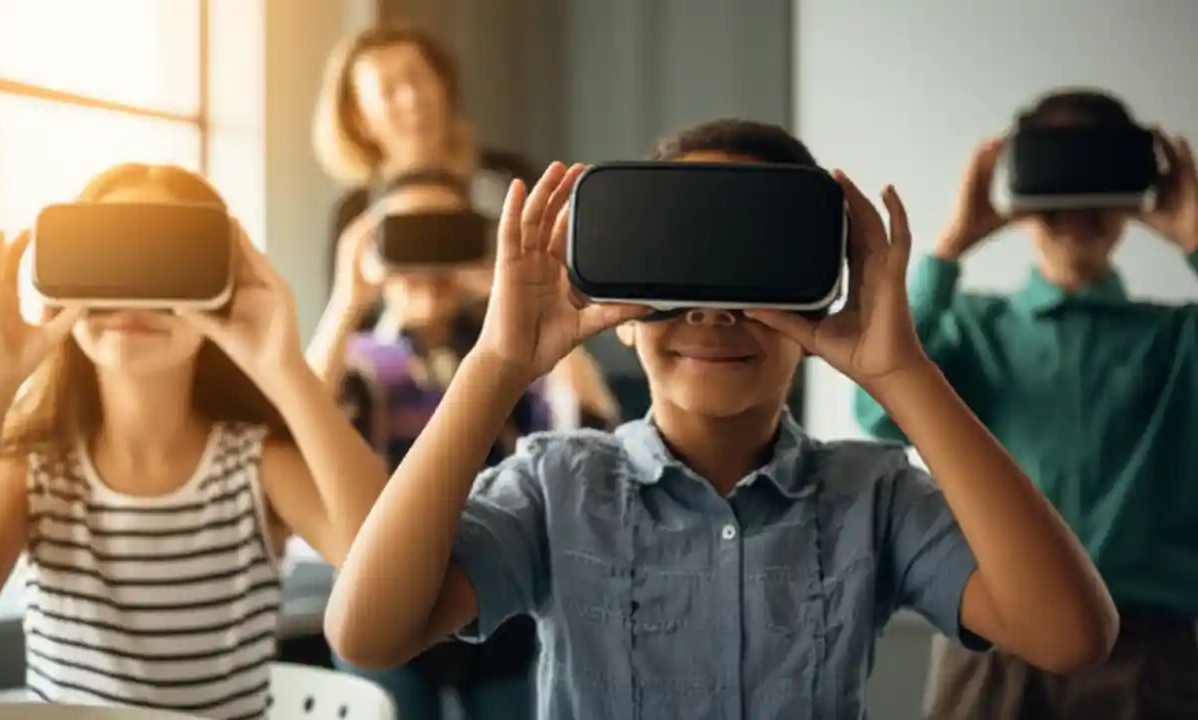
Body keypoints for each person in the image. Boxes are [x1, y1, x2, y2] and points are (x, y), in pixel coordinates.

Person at [323, 119, 1119, 719]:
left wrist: (903, 374)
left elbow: (1069, 635)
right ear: (624, 311)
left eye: (752, 267)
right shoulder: (557, 485)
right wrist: (497, 363)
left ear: (816, 296)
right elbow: (368, 634)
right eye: (680, 265)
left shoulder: (871, 495)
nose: (714, 308)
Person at [0, 165, 387, 719]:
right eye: (110, 262)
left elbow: (392, 578)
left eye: (166, 266)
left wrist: (283, 368)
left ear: (222, 289)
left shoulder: (257, 466)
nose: (133, 300)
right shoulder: (36, 469)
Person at [854, 89, 1198, 719]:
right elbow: (876, 409)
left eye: (1098, 184)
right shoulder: (971, 329)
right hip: (994, 632)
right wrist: (950, 248)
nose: (1077, 212)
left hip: (1150, 642)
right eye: (1059, 180)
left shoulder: (1177, 339)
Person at [307, 174, 619, 719]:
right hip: (382, 590)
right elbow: (297, 425)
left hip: (495, 599)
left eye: (449, 235)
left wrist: (514, 296)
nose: (430, 259)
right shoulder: (357, 359)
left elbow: (594, 424)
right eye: (410, 236)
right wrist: (347, 299)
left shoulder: (510, 354)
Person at [310, 23, 617, 427]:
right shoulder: (355, 213)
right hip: (393, 375)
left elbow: (591, 413)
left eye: (419, 79)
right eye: (388, 90)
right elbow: (348, 335)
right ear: (360, 117)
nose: (412, 99)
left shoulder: (507, 181)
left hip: (510, 352)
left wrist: (508, 295)